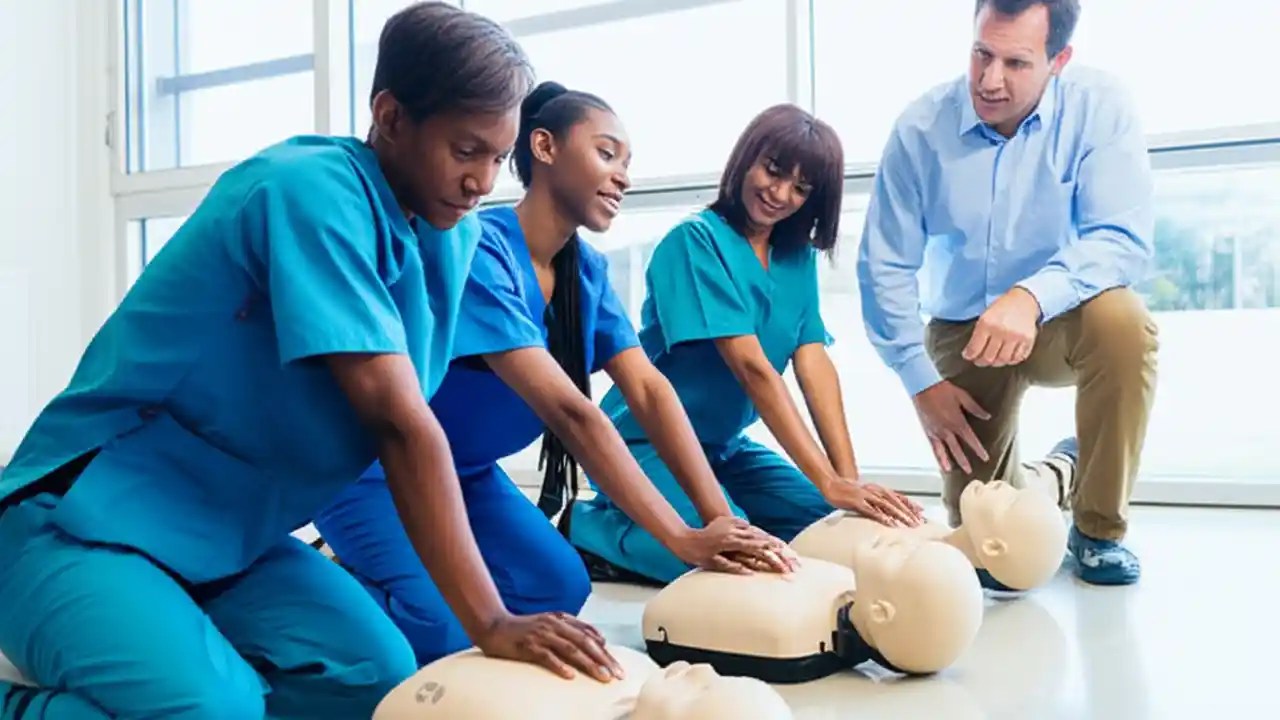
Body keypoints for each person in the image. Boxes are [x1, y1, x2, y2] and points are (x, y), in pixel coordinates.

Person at [0, 5, 624, 718]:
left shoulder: (449, 240)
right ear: (390, 116)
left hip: (230, 532)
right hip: (81, 514)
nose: (482, 181)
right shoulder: (308, 190)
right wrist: (491, 621)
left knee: (373, 673)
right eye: (464, 151)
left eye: (494, 157)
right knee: (215, 711)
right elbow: (399, 422)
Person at [313, 81, 794, 668]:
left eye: (627, 163)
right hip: (372, 469)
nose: (623, 176)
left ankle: (408, 574)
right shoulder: (479, 249)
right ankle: (310, 587)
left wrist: (717, 518)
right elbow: (573, 414)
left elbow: (648, 389)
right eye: (606, 153)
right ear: (543, 147)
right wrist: (679, 538)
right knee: (440, 626)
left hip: (464, 474)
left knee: (557, 588)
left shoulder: (585, 271)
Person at [856, 0, 1157, 587]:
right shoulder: (920, 128)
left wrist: (1032, 295)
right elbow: (885, 265)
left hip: (1062, 318)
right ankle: (1059, 473)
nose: (991, 81)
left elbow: (1121, 238)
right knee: (989, 550)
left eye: (1017, 63)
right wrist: (922, 383)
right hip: (963, 332)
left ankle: (1097, 528)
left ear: (1059, 60)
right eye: (981, 54)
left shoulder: (1100, 108)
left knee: (1125, 323)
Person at [568, 104, 924, 586]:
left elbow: (813, 362)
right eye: (773, 171)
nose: (779, 194)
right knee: (726, 558)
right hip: (644, 443)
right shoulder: (694, 242)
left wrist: (846, 480)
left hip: (725, 448)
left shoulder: (796, 258)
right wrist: (827, 479)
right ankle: (589, 528)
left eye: (801, 188)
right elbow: (753, 370)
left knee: (831, 529)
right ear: (747, 159)